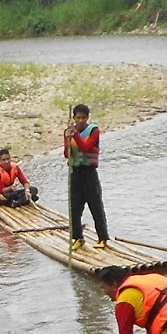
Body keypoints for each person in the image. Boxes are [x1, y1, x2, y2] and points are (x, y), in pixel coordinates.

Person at [63, 103, 108, 247]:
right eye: (78, 118)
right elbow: (66, 154)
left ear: (87, 118)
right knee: (74, 207)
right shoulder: (69, 131)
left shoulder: (94, 131)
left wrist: (75, 135)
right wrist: (67, 139)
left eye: (83, 117)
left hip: (89, 173)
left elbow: (85, 147)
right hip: (75, 172)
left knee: (95, 205)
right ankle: (78, 238)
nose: (80, 120)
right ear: (74, 118)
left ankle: (102, 238)